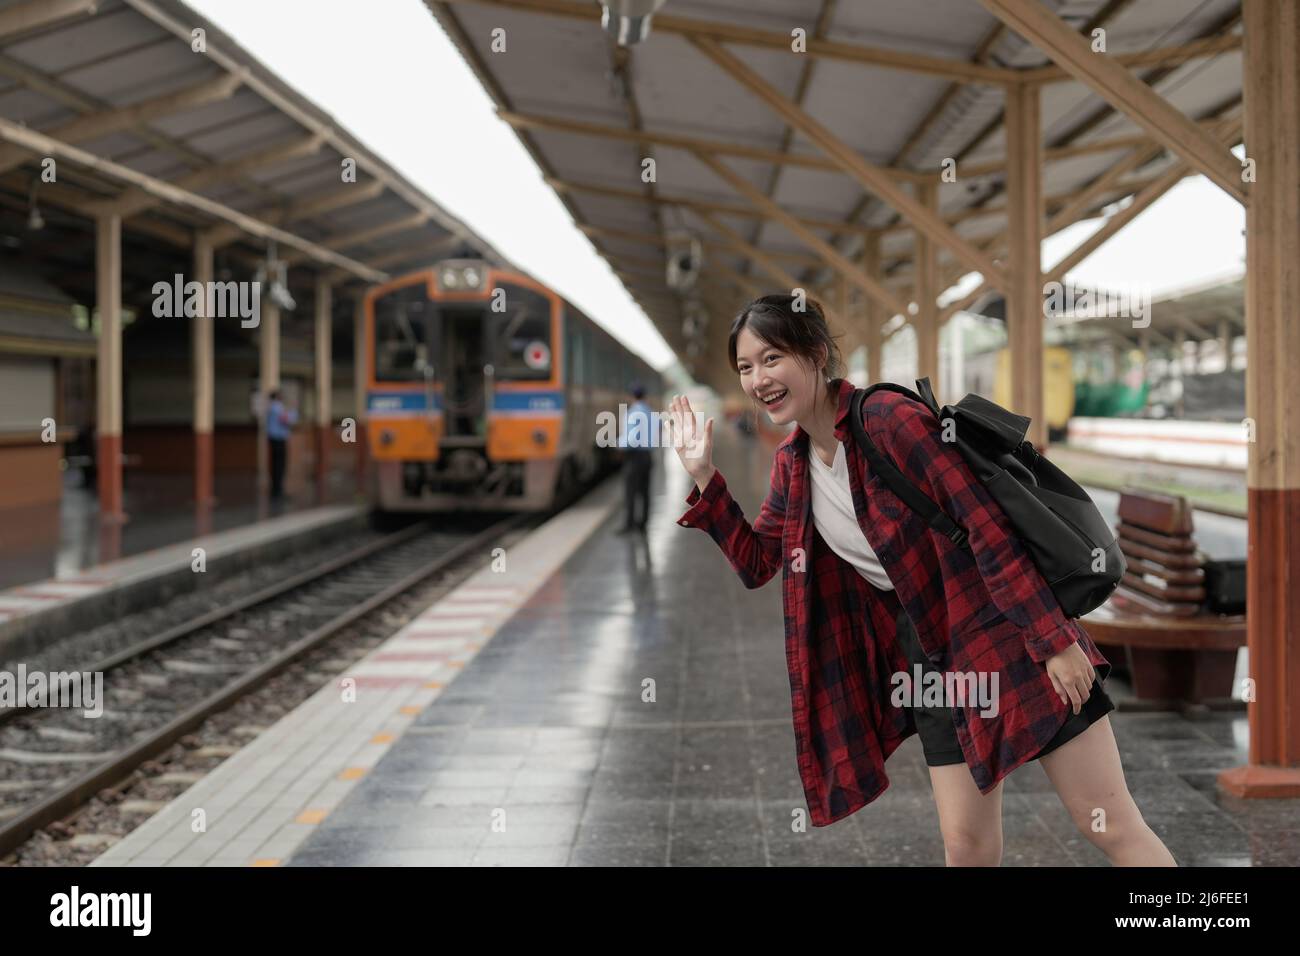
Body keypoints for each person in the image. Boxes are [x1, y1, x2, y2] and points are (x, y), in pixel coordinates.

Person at [666, 293, 1175, 867]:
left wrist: (1053, 640)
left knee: (1108, 824)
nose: (758, 378)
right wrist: (704, 475)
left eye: (772, 358)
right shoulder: (793, 462)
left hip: (1004, 632)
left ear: (815, 353)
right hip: (930, 661)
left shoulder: (887, 419)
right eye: (745, 367)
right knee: (966, 847)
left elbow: (984, 526)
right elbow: (758, 562)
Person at [616, 383, 653, 534]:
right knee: (645, 491)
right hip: (647, 456)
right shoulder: (650, 412)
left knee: (630, 492)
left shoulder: (632, 413)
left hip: (634, 457)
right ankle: (643, 523)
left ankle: (629, 524)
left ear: (631, 396)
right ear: (644, 396)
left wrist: (618, 444)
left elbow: (631, 439)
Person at [266, 388, 298, 500]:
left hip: (274, 439)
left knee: (276, 465)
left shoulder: (271, 407)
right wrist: (294, 411)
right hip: (278, 439)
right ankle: (278, 490)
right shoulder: (277, 407)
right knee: (279, 465)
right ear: (277, 397)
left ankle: (276, 489)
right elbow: (286, 420)